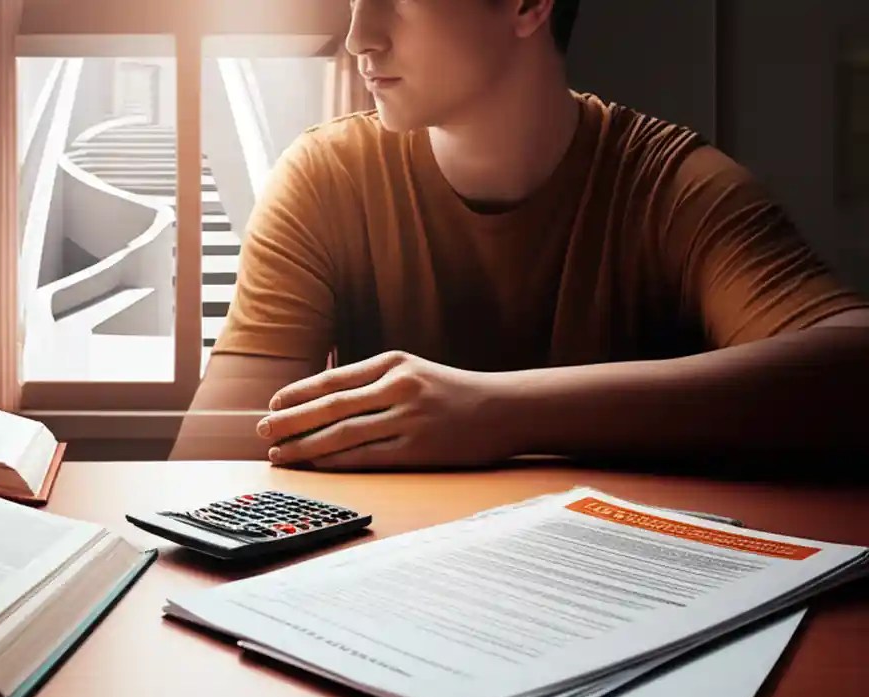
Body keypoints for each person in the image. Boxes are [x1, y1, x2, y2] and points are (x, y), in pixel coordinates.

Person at [171, 0, 869, 469]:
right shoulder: (327, 180)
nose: (359, 37)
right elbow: (207, 466)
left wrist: (496, 412)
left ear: (529, 4)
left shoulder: (667, 184)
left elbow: (852, 369)